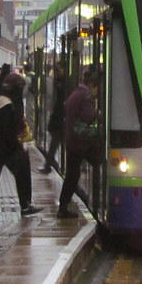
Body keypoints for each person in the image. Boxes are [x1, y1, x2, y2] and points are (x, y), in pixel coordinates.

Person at [0, 72, 40, 218]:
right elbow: (6, 131)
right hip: (2, 150)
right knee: (9, 175)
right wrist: (17, 146)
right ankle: (23, 206)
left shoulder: (2, 100)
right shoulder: (7, 105)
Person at [57, 66, 101, 219]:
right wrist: (101, 113)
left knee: (73, 174)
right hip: (80, 141)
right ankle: (63, 207)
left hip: (73, 140)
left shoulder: (76, 93)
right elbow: (89, 116)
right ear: (92, 85)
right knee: (75, 174)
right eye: (96, 87)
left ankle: (64, 205)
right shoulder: (85, 96)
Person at [38, 64, 66, 174]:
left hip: (59, 120)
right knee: (55, 144)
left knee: (55, 144)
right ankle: (50, 164)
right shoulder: (59, 83)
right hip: (59, 120)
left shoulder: (60, 84)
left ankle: (49, 164)